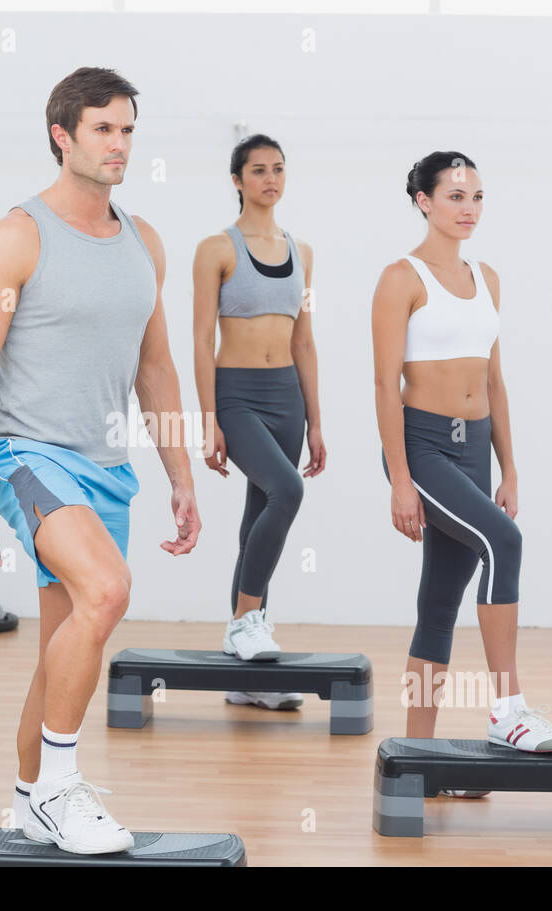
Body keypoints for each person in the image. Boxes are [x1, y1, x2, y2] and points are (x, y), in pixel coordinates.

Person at [0, 67, 201, 854]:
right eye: (103, 129)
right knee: (108, 589)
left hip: (106, 468)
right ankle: (62, 785)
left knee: (71, 638)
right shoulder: (17, 236)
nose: (119, 144)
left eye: (128, 129)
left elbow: (156, 368)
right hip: (27, 454)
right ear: (63, 134)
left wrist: (180, 474)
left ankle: (28, 799)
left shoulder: (143, 242)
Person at [371, 150, 552, 797]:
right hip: (424, 448)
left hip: (473, 447)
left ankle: (416, 760)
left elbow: (494, 378)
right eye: (456, 196)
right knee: (503, 543)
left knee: (438, 604)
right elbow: (383, 384)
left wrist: (509, 466)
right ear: (424, 201)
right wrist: (401, 478)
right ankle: (508, 712)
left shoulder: (488, 277)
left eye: (478, 197)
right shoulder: (400, 278)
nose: (469, 209)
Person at [191, 133, 325, 711]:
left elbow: (306, 341)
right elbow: (199, 339)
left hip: (286, 398)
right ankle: (247, 620)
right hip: (238, 394)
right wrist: (208, 420)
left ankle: (247, 679)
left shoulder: (303, 251)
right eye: (257, 170)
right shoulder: (215, 249)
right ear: (238, 180)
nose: (270, 178)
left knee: (259, 516)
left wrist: (316, 422)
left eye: (278, 169)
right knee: (286, 491)